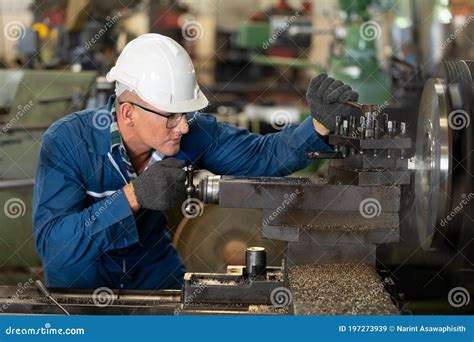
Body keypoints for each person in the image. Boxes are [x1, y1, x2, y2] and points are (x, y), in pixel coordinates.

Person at [32, 33, 358, 290]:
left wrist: (319, 125)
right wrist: (133, 197)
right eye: (172, 116)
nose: (184, 126)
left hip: (153, 274)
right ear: (128, 112)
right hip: (81, 287)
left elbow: (263, 156)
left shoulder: (193, 134)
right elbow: (54, 245)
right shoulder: (68, 142)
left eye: (186, 114)